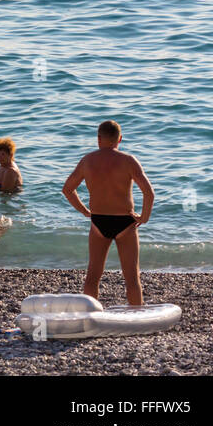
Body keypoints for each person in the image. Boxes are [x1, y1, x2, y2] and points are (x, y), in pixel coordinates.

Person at [61, 120, 154, 306]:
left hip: (98, 222)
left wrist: (85, 211)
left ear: (98, 138)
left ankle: (90, 315)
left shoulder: (87, 160)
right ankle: (136, 317)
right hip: (125, 223)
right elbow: (148, 193)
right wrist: (144, 217)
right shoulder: (128, 161)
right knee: (132, 277)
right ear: (119, 139)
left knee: (93, 275)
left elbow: (67, 190)